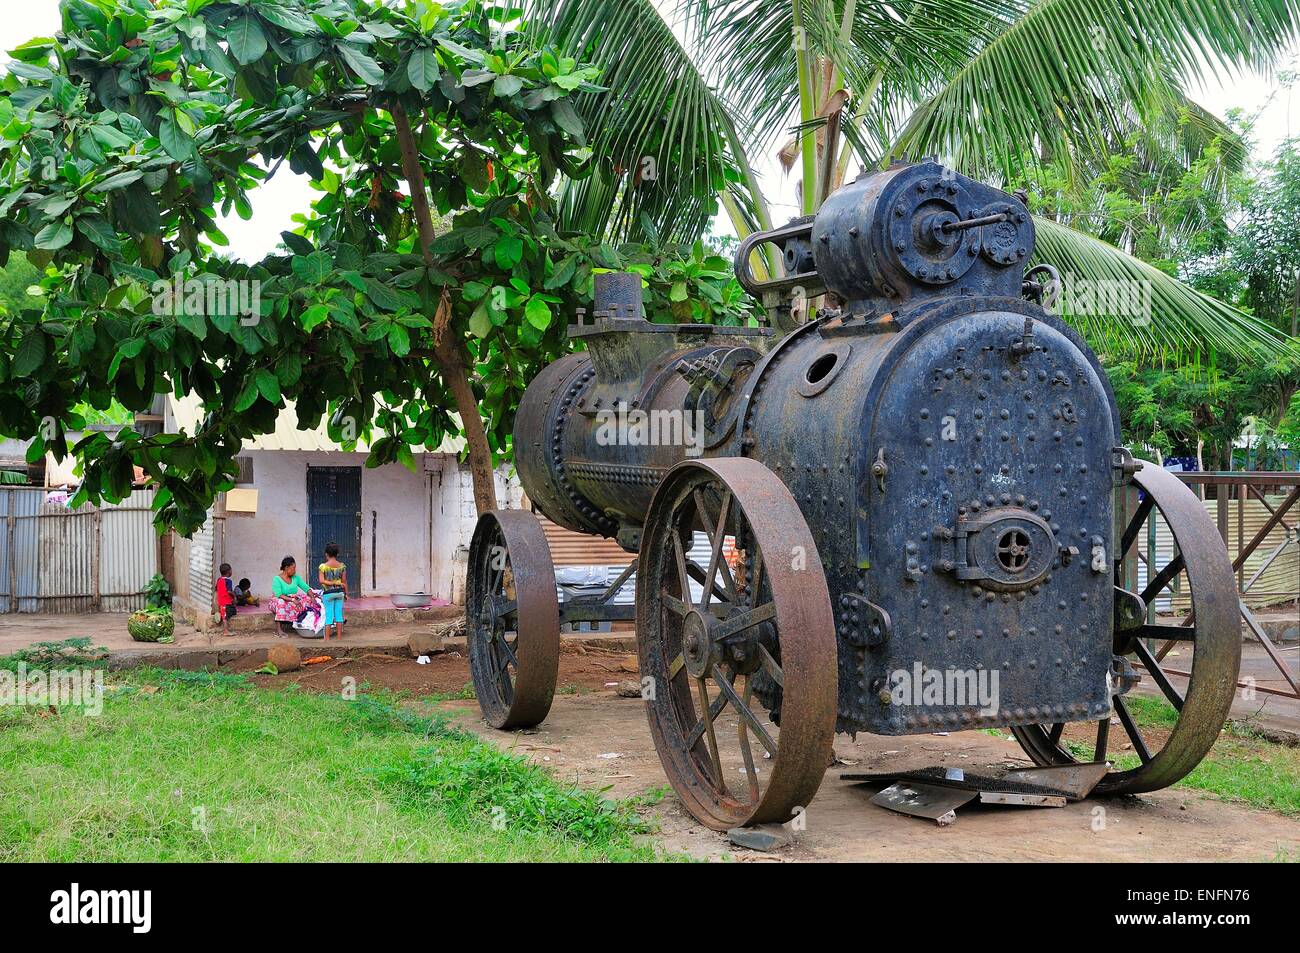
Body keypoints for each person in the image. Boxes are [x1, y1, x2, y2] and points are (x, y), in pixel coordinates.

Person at [268, 556, 316, 635]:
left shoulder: (296, 578)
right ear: (287, 568)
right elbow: (279, 594)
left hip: (291, 600)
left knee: (308, 600)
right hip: (278, 600)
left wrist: (312, 597)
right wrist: (293, 600)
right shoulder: (277, 579)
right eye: (293, 568)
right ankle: (279, 629)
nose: (295, 570)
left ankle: (303, 623)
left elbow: (306, 588)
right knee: (281, 602)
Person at [318, 543, 349, 641]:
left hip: (328, 593)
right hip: (340, 592)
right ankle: (339, 639)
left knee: (329, 616)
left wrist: (332, 582)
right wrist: (346, 593)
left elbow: (321, 581)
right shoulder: (342, 566)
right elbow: (344, 581)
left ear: (326, 554)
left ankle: (327, 640)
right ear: (337, 554)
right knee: (339, 615)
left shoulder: (323, 567)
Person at [215, 562, 236, 637]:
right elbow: (229, 591)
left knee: (229, 613)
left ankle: (221, 614)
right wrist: (234, 595)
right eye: (231, 570)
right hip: (226, 602)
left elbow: (216, 589)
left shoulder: (219, 579)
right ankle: (226, 631)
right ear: (229, 572)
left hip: (221, 602)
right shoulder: (228, 581)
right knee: (225, 617)